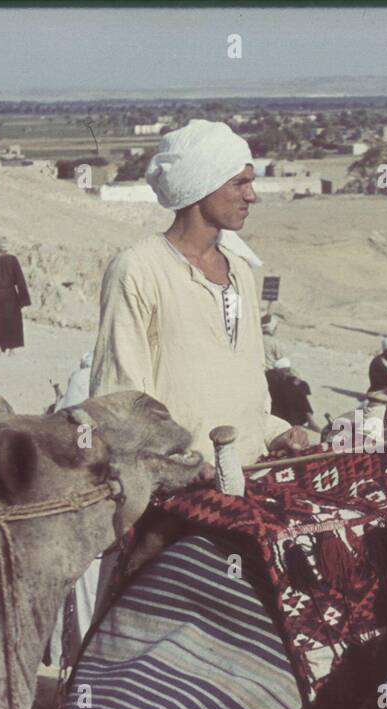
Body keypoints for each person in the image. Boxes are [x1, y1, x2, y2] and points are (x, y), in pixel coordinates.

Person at [89, 119, 301, 462]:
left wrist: (274, 432)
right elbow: (118, 398)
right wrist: (174, 462)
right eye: (239, 183)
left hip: (251, 468)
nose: (252, 195)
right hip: (179, 474)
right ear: (201, 186)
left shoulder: (240, 271)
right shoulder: (139, 270)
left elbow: (240, 378)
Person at [266, 358, 314, 429]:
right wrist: (294, 385)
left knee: (300, 393)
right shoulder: (271, 376)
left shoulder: (286, 377)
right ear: (278, 370)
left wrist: (298, 382)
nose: (288, 373)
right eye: (286, 371)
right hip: (280, 408)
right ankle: (310, 421)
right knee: (296, 393)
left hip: (286, 405)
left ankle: (310, 420)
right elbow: (281, 389)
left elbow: (304, 386)